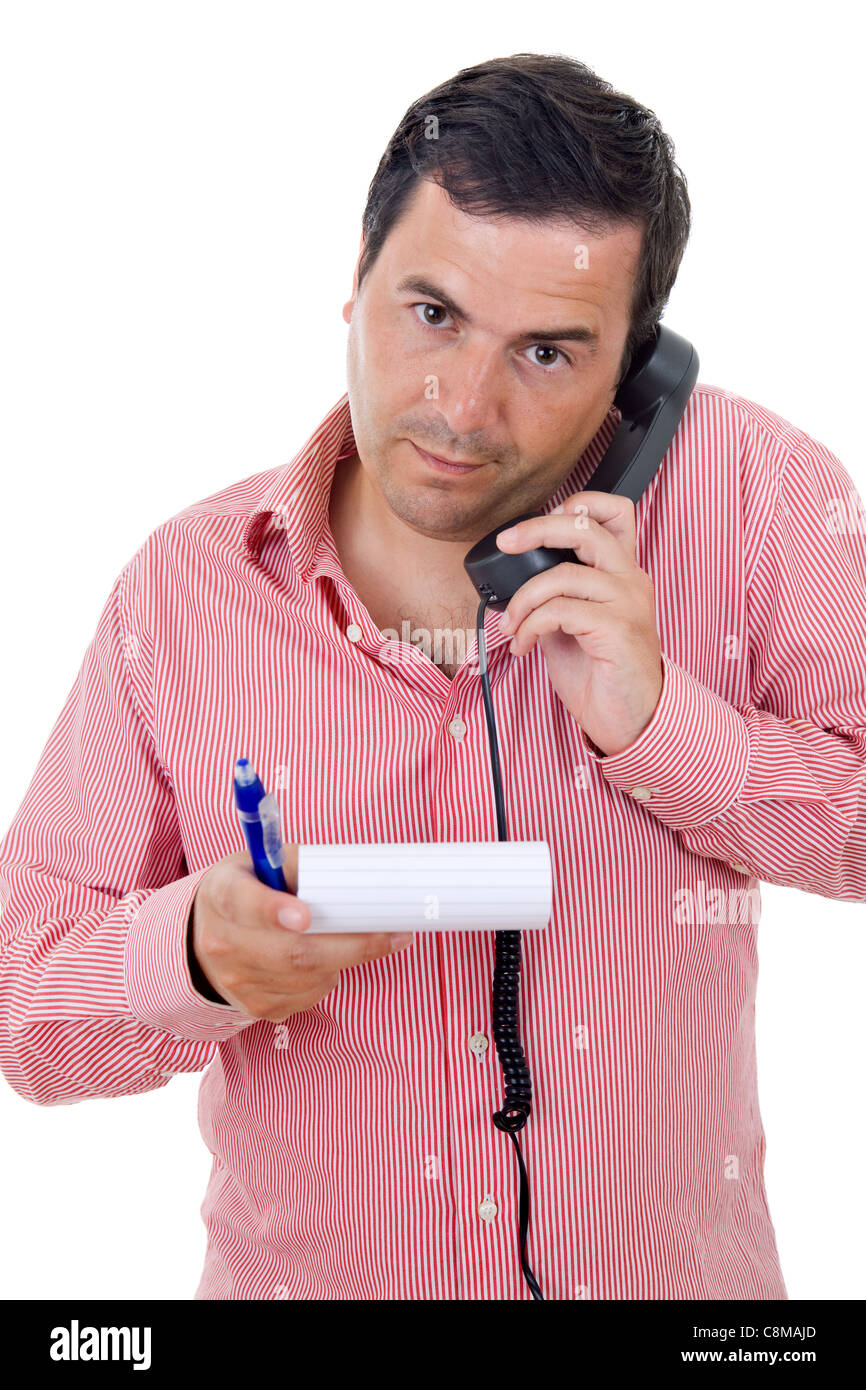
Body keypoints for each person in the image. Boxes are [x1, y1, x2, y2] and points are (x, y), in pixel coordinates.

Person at [2, 51, 865, 1301]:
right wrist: (191, 956)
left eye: (549, 353)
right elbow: (24, 992)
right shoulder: (184, 589)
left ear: (638, 375)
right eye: (432, 313)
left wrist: (667, 727)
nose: (462, 408)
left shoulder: (763, 497)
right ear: (353, 284)